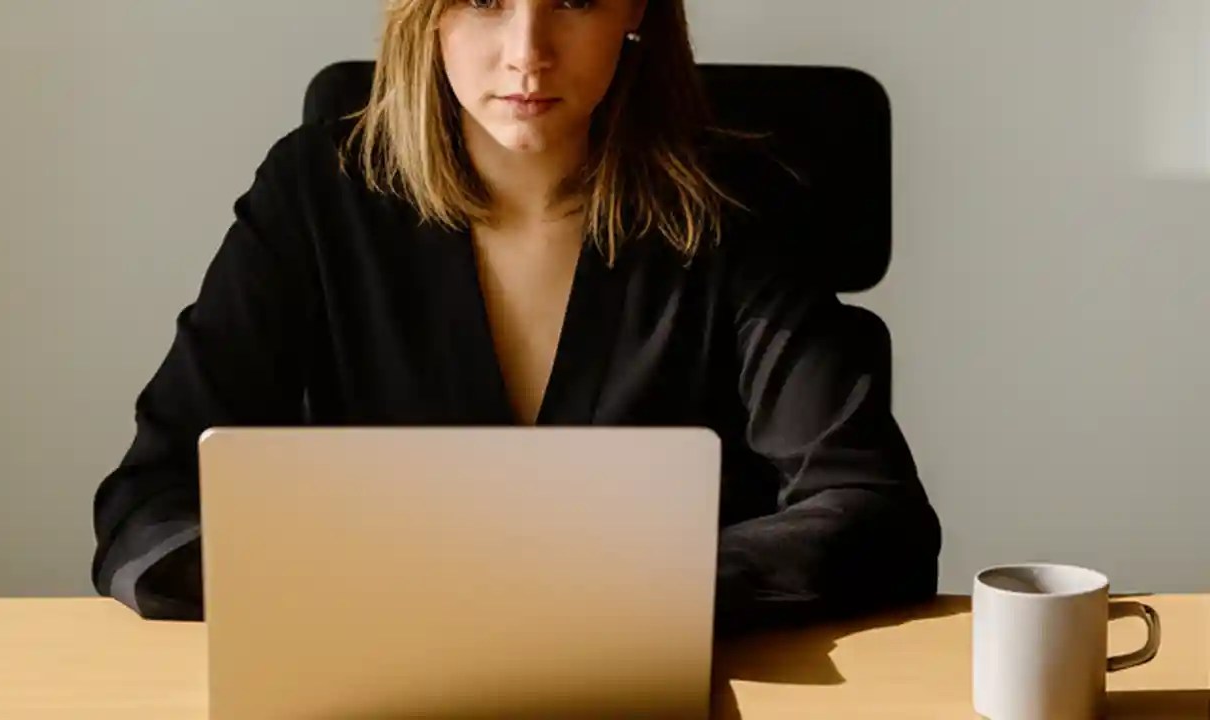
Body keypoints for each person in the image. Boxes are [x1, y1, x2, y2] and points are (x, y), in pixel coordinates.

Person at [91, 0, 942, 636]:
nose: (526, 53)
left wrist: (605, 594)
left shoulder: (731, 207)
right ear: (423, 14)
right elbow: (148, 510)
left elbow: (874, 512)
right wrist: (364, 590)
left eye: (573, 0)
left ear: (635, 9)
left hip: (655, 676)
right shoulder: (315, 193)